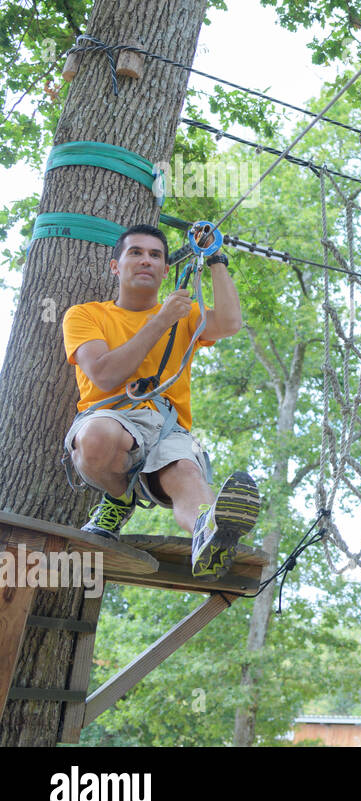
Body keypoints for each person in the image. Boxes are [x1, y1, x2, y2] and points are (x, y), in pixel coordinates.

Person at [62, 224, 260, 579]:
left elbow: (230, 323)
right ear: (115, 266)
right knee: (96, 438)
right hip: (112, 416)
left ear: (166, 270)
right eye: (135, 253)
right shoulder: (86, 315)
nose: (146, 261)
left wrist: (215, 258)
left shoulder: (186, 316)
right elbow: (105, 374)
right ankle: (119, 499)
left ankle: (209, 531)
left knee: (187, 472)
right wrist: (161, 320)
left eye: (155, 255)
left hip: (167, 427)